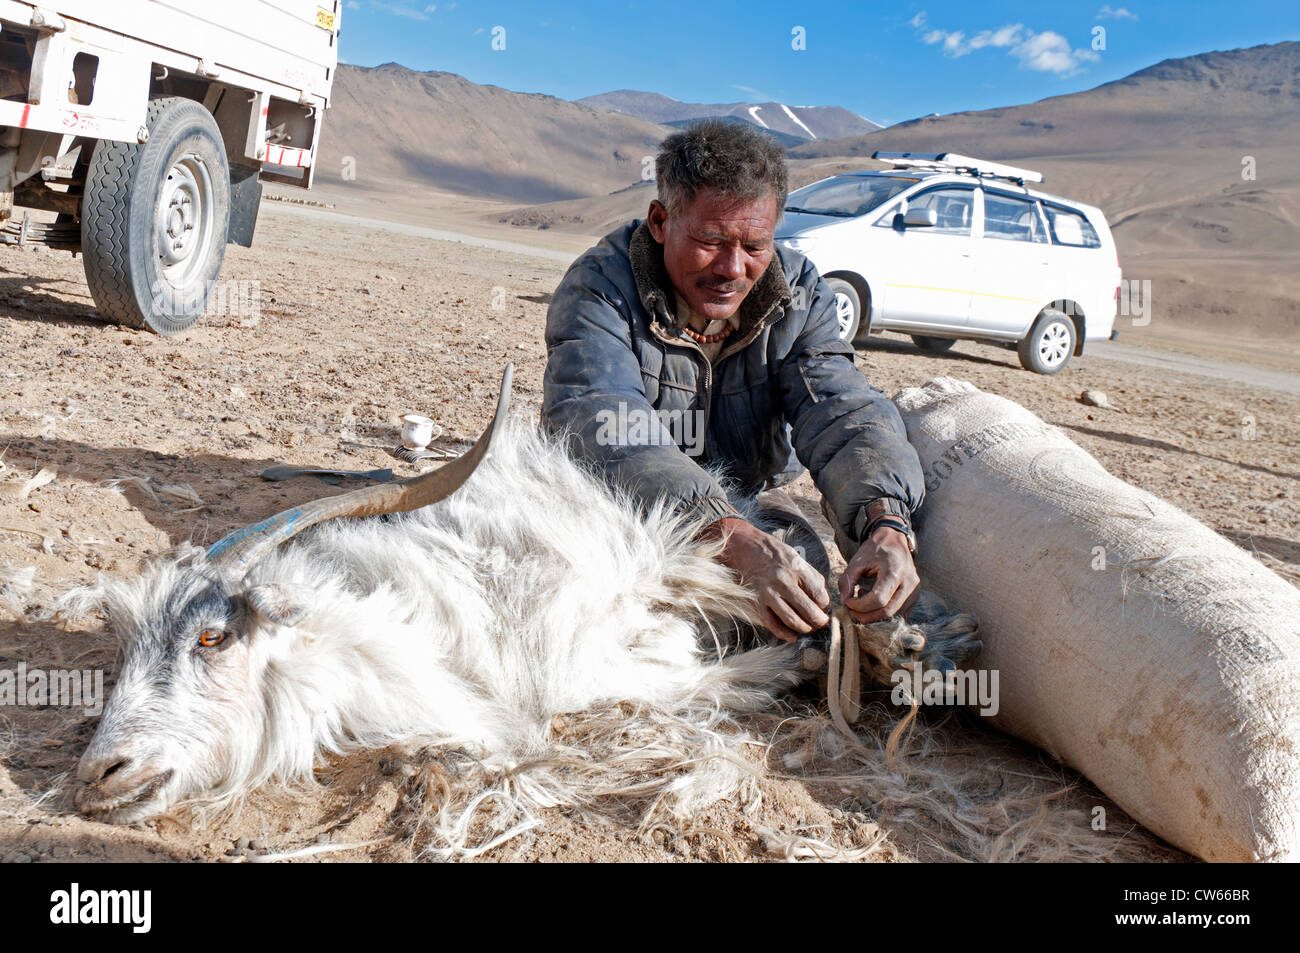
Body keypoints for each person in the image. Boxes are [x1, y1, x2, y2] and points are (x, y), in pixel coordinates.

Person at [541, 119, 924, 643]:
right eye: (710, 240)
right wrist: (724, 534)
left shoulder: (797, 293)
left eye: (755, 245)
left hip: (747, 503)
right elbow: (602, 419)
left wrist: (886, 521)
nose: (733, 268)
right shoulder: (602, 287)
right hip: (621, 506)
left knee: (802, 572)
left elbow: (840, 407)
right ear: (660, 221)